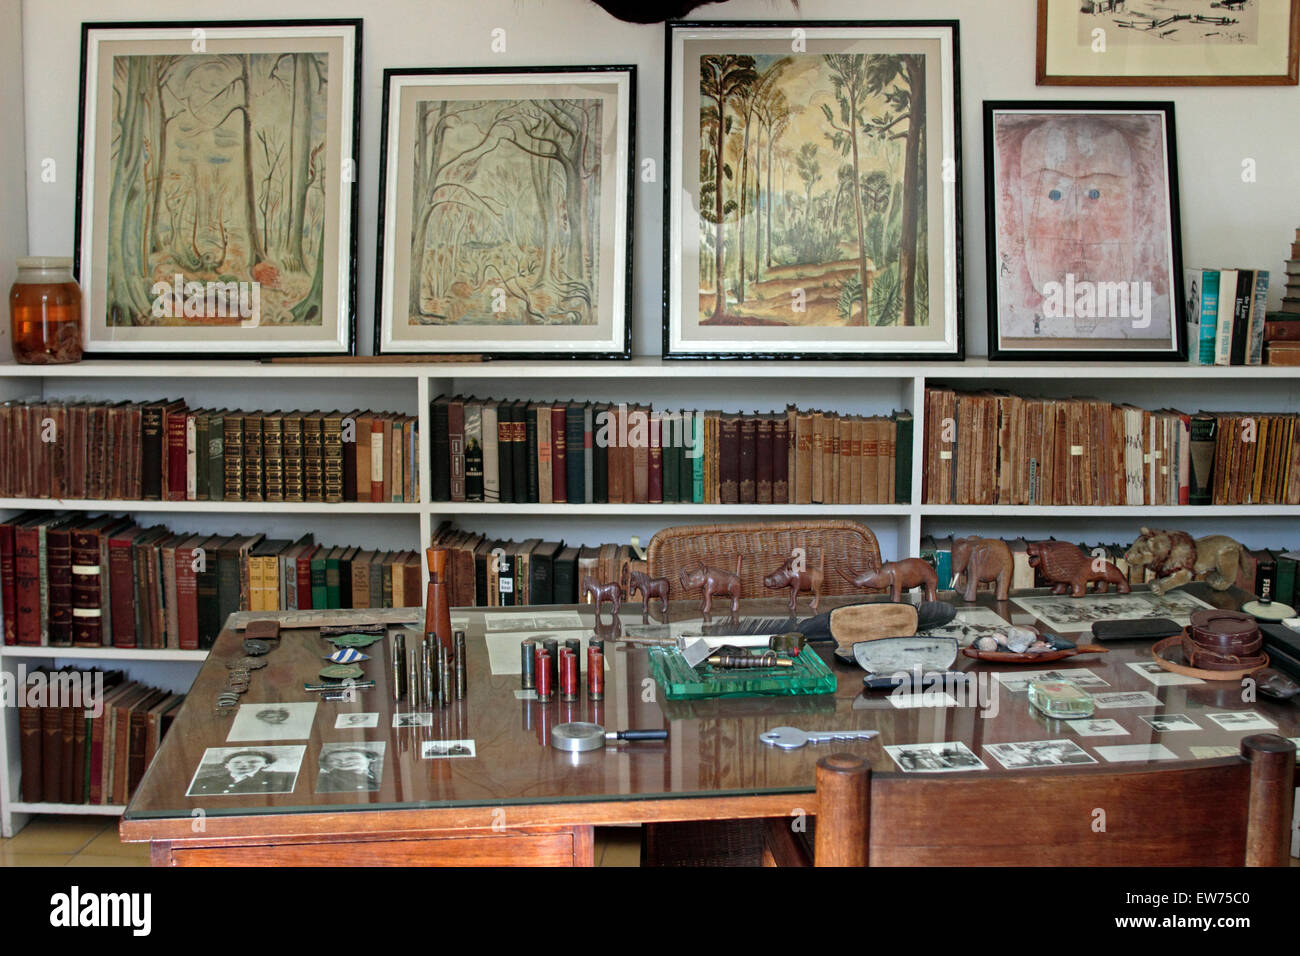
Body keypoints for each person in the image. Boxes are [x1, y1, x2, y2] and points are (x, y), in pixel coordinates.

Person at [189, 750, 297, 795]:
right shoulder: (203, 781)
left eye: (253, 762)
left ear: (266, 765)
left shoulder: (286, 778)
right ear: (226, 765)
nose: (244, 765)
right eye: (237, 762)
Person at [316, 748, 382, 792]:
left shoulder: (380, 776)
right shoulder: (326, 780)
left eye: (352, 758)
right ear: (327, 765)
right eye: (334, 760)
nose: (343, 762)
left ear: (369, 759)